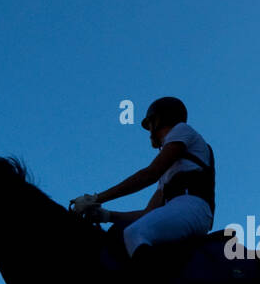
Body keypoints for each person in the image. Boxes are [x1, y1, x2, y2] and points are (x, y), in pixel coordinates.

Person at [70, 96, 215, 264]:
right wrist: (106, 215)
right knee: (122, 233)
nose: (149, 133)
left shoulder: (181, 130)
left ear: (160, 119)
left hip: (193, 207)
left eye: (150, 124)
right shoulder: (168, 176)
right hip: (181, 208)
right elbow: (148, 213)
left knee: (135, 234)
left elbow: (149, 174)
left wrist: (96, 198)